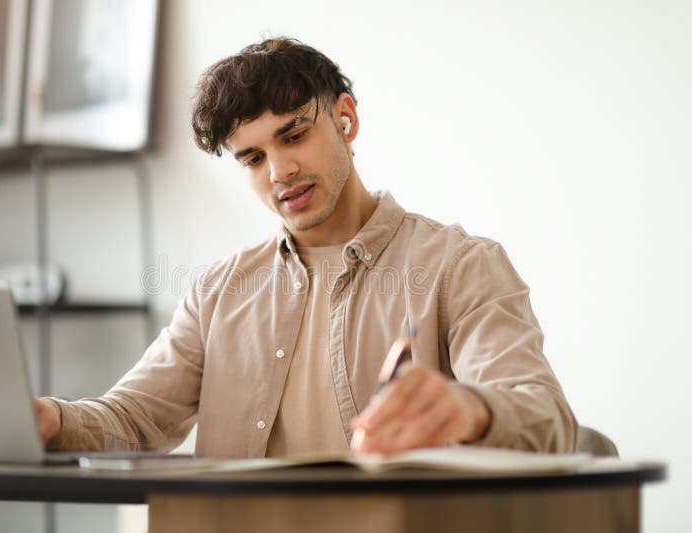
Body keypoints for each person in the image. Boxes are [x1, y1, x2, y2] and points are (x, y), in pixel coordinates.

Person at [34, 37, 577, 458]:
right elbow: (134, 420)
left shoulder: (460, 267)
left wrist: (470, 409)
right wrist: (49, 419)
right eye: (252, 158)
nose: (280, 171)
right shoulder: (218, 291)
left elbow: (545, 416)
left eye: (294, 136)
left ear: (347, 118)